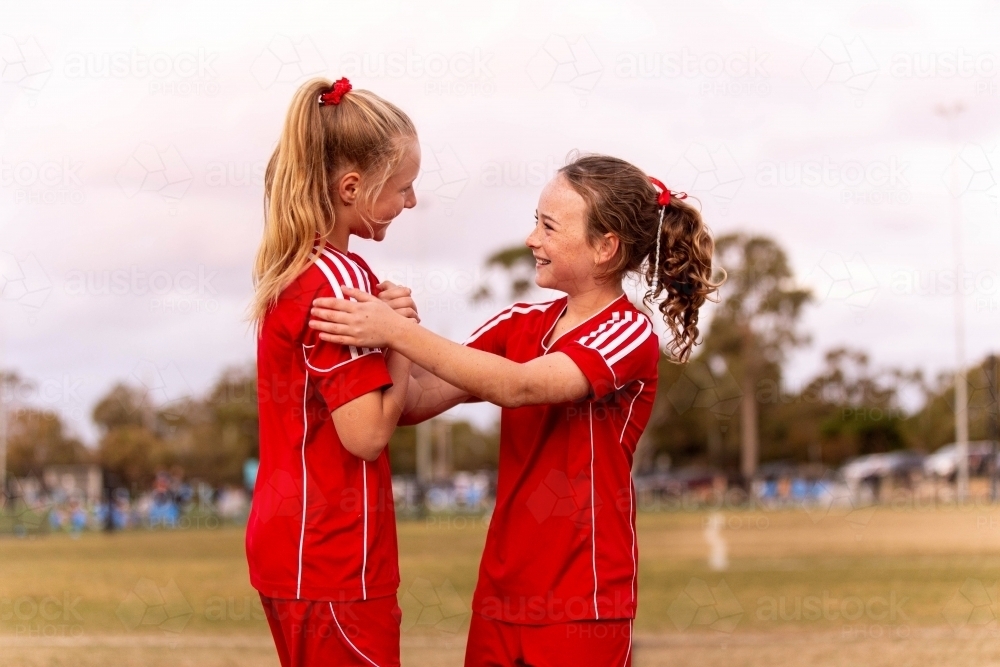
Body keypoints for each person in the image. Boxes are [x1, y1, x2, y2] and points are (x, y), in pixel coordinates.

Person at [309, 154, 723, 666]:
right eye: (535, 221)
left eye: (548, 226)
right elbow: (412, 402)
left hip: (583, 599)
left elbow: (521, 387)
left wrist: (398, 332)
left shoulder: (626, 332)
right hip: (500, 597)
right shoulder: (519, 322)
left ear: (605, 247)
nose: (532, 238)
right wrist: (391, 336)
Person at [246, 76, 422, 667]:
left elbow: (370, 403)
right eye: (403, 187)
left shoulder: (301, 268)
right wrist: (401, 339)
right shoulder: (339, 282)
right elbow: (367, 435)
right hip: (332, 558)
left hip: (296, 550)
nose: (412, 202)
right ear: (352, 187)